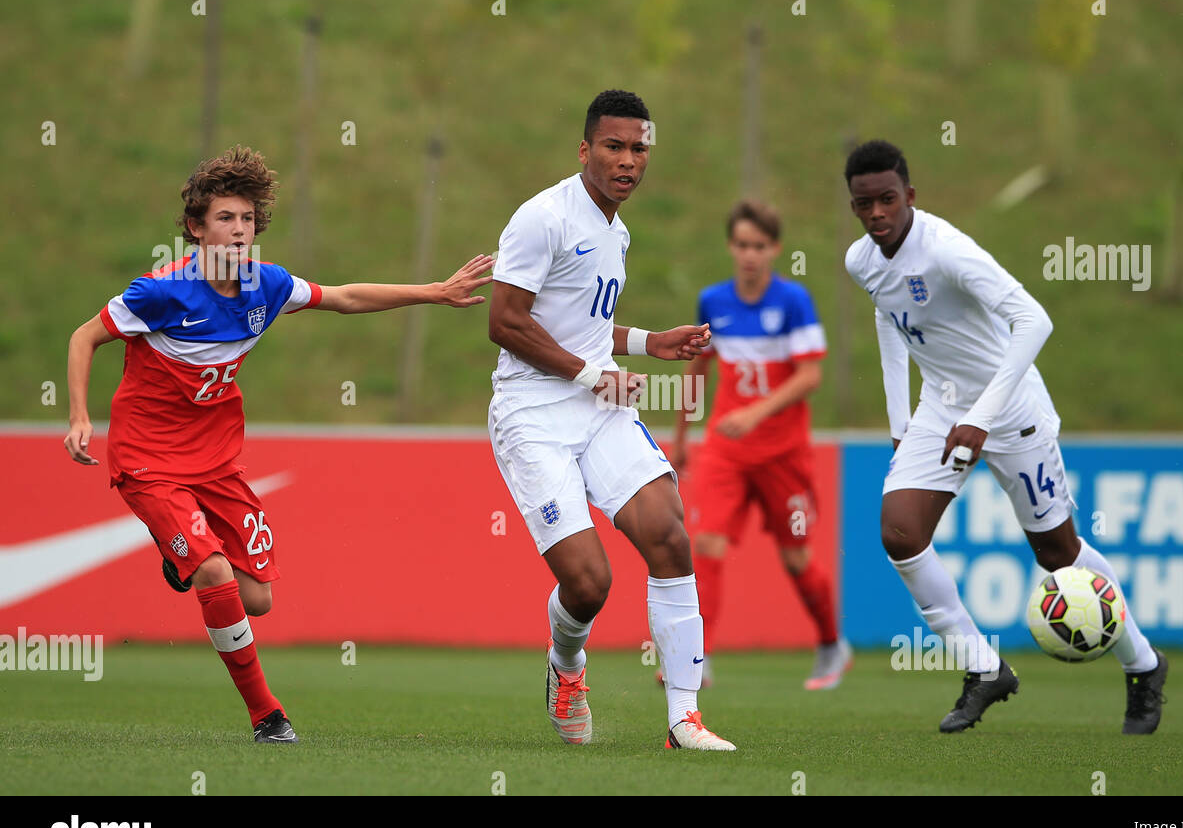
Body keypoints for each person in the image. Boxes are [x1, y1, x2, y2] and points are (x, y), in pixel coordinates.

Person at [63, 145, 493, 743]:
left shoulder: (266, 286)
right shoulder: (161, 292)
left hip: (215, 464)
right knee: (214, 570)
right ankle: (267, 715)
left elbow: (345, 296)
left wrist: (434, 292)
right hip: (147, 460)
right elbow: (85, 337)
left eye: (246, 219)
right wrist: (80, 416)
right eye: (223, 219)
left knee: (257, 598)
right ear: (195, 228)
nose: (238, 230)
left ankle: (179, 555)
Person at [842, 139, 1168, 734]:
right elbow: (887, 319)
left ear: (910, 196)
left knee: (1057, 554)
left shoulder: (947, 252)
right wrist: (898, 427)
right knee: (899, 532)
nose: (877, 214)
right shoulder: (860, 260)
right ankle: (982, 668)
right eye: (864, 204)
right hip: (940, 410)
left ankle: (1143, 664)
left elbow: (1034, 320)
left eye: (887, 200)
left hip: (1013, 410)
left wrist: (982, 417)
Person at [487, 90, 734, 750]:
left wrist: (649, 342)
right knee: (590, 583)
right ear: (585, 150)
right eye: (614, 147)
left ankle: (685, 719)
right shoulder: (543, 217)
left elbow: (587, 326)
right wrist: (592, 373)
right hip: (533, 415)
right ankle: (567, 665)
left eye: (638, 148)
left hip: (596, 408)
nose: (628, 160)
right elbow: (505, 323)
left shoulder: (616, 229)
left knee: (668, 532)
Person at [671, 199, 851, 690]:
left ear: (775, 249)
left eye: (760, 246)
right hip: (726, 451)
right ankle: (696, 658)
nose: (750, 254)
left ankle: (831, 644)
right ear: (731, 246)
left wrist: (755, 412)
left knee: (796, 559)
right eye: (742, 245)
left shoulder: (794, 301)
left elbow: (810, 376)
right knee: (704, 543)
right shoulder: (713, 302)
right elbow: (698, 368)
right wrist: (682, 435)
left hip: (782, 453)